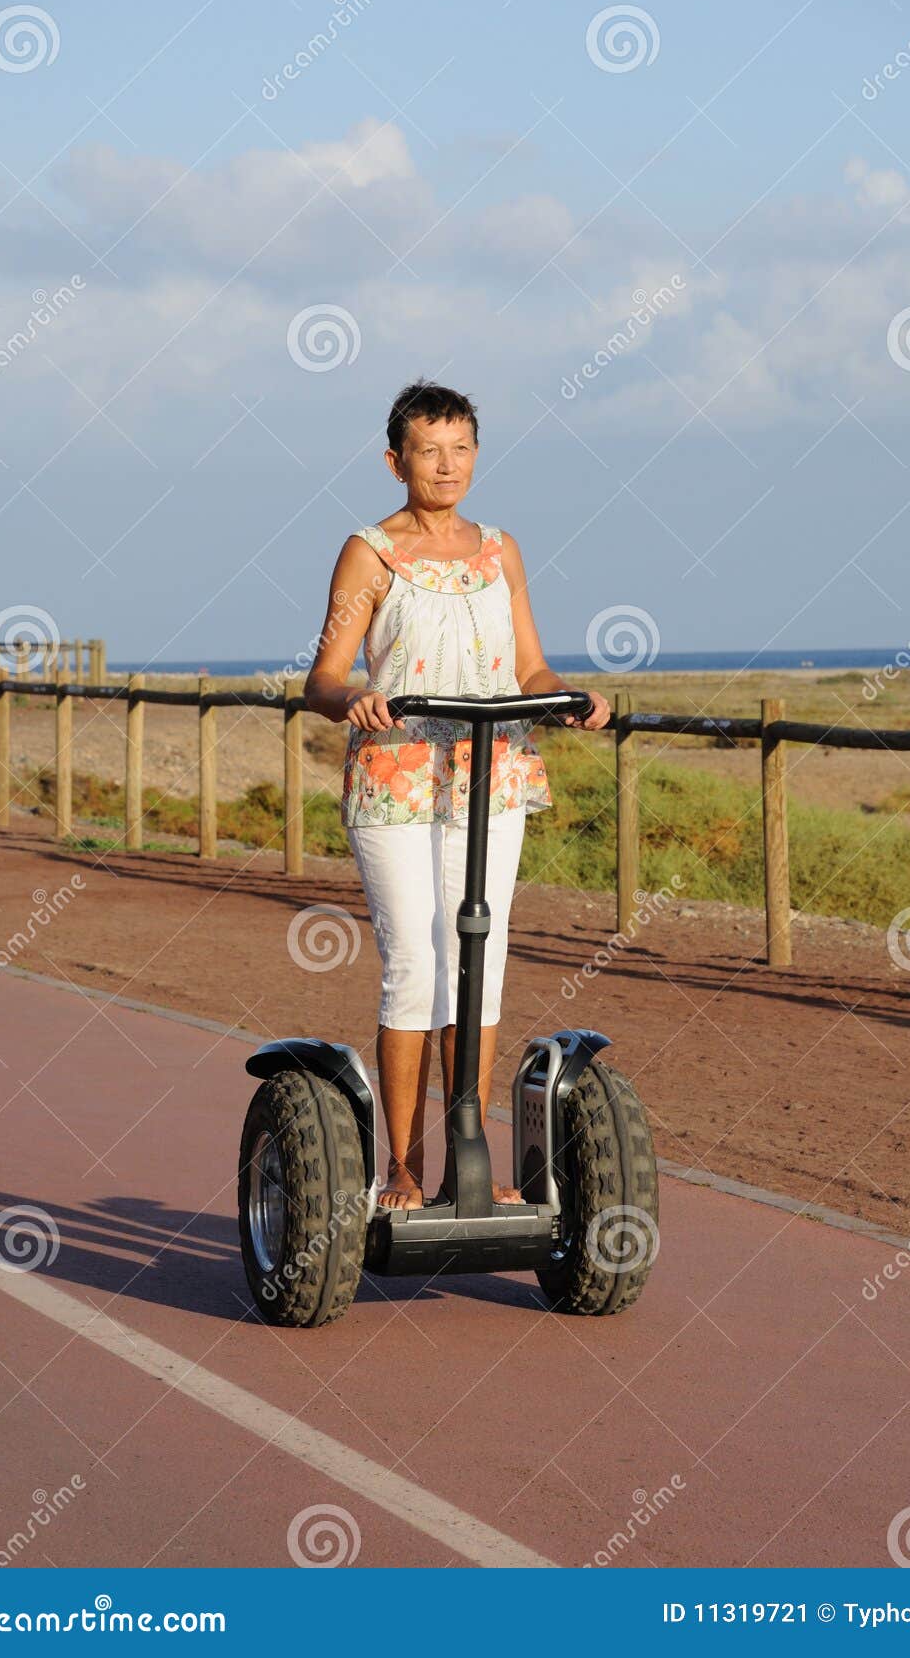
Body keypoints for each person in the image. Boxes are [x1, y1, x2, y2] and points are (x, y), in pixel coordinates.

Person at [305, 379, 609, 1209]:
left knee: (477, 966)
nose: (447, 465)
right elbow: (324, 676)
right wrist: (354, 700)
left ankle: (466, 1165)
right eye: (429, 450)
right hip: (398, 776)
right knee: (416, 966)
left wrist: (571, 694)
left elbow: (529, 666)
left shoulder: (499, 548)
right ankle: (397, 1167)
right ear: (395, 459)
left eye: (461, 448)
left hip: (492, 772)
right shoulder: (370, 551)